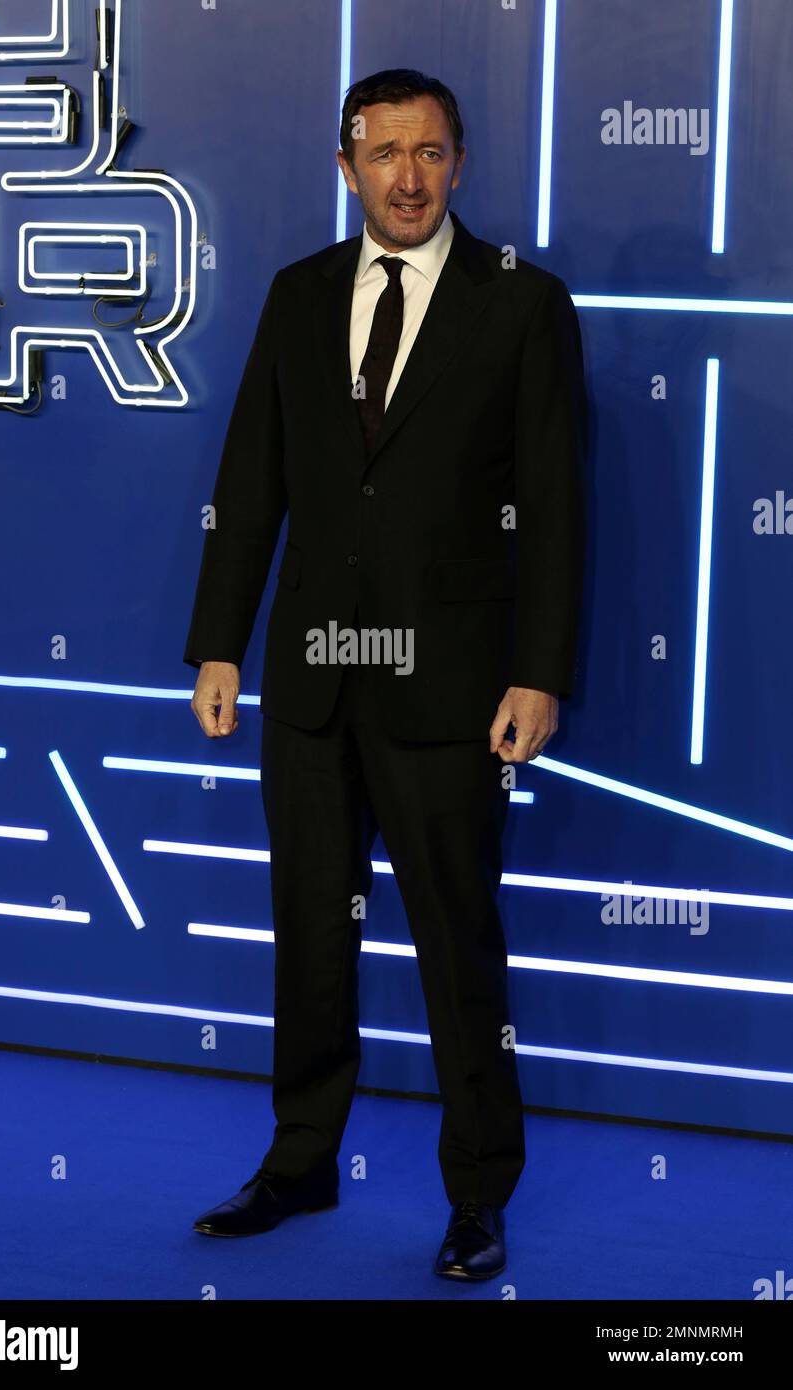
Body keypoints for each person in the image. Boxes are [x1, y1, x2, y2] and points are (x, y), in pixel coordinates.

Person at [183, 68, 586, 1281]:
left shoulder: (522, 303)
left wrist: (538, 673)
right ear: (346, 164)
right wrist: (218, 641)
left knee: (458, 946)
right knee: (308, 933)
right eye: (383, 152)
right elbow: (251, 478)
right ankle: (298, 1162)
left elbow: (558, 512)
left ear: (458, 163)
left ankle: (476, 1197)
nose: (406, 176)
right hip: (309, 682)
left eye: (429, 152)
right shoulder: (297, 294)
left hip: (451, 689)